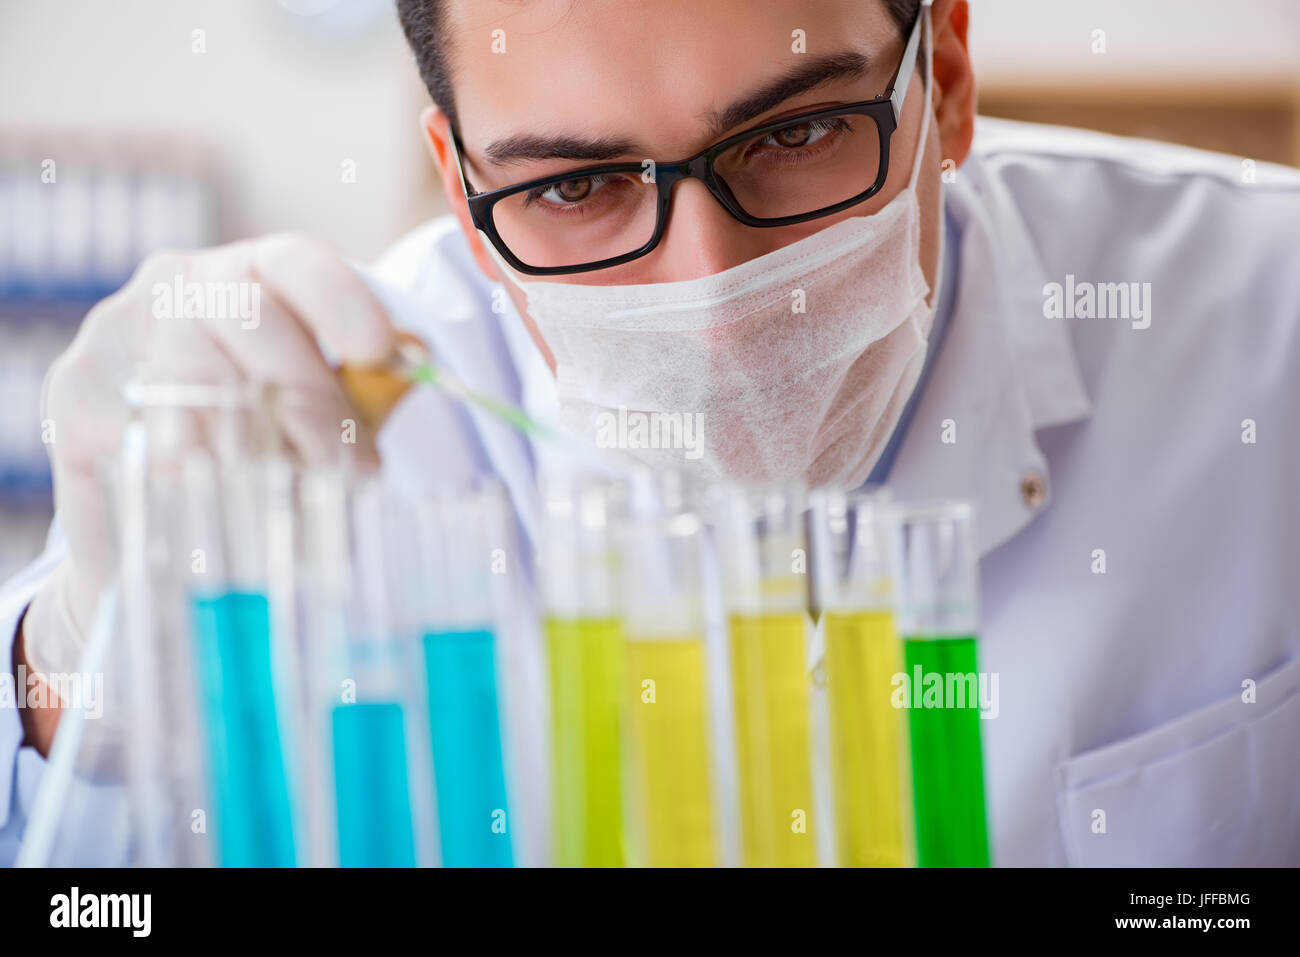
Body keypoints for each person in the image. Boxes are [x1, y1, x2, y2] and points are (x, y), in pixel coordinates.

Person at [3, 0, 1298, 866]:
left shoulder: (1265, 324)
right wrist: (74, 658)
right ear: (462, 188)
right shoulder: (335, 419)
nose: (708, 294)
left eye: (796, 132)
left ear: (945, 77)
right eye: (576, 184)